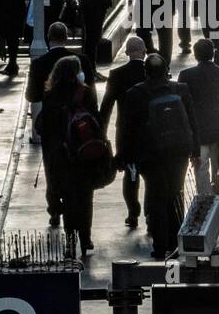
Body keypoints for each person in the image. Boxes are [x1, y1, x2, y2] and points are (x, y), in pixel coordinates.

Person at [118, 55, 198, 259]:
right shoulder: (181, 89)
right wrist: (195, 150)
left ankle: (160, 245)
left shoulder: (135, 94)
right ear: (166, 70)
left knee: (156, 197)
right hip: (179, 152)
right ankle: (175, 242)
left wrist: (126, 156)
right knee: (175, 194)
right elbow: (192, 121)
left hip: (150, 155)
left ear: (145, 72)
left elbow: (128, 128)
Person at [26, 22, 94, 216]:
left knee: (52, 167)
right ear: (66, 37)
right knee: (79, 165)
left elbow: (32, 96)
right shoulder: (82, 60)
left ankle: (54, 208)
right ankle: (79, 211)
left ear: (49, 37)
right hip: (79, 125)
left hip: (53, 126)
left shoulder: (39, 63)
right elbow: (92, 95)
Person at [34, 55, 100, 254]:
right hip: (83, 155)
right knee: (85, 198)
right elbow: (95, 121)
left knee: (68, 200)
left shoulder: (50, 95)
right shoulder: (86, 93)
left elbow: (43, 127)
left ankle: (70, 243)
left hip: (60, 157)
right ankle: (86, 239)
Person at [178, 38, 219, 195]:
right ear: (213, 53)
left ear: (195, 55)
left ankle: (206, 201)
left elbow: (182, 105)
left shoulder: (186, 75)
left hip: (198, 131)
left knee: (201, 168)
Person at [99, 36, 148, 228]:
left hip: (127, 133)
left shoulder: (117, 74)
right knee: (152, 175)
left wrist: (101, 133)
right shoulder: (152, 69)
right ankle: (151, 214)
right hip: (150, 131)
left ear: (127, 53)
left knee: (130, 174)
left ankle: (133, 213)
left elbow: (107, 106)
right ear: (144, 51)